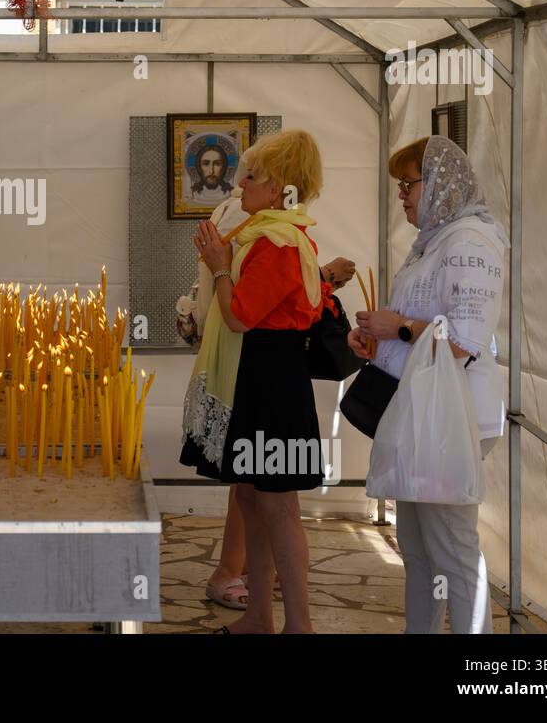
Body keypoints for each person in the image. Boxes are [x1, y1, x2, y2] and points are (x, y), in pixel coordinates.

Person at [176, 149, 353, 612]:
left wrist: (219, 264)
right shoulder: (263, 235)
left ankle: (297, 623)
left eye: (251, 177)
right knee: (253, 500)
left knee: (278, 510)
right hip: (258, 379)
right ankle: (259, 617)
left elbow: (238, 316)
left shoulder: (278, 242)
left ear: (277, 189)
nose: (240, 186)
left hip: (273, 385)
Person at [349, 135, 508, 634]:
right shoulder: (435, 241)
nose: (403, 196)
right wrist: (379, 339)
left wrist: (395, 327)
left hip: (452, 419)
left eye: (408, 184)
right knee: (417, 549)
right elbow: (422, 326)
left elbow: (462, 342)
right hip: (424, 414)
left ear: (440, 184)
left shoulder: (470, 243)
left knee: (453, 552)